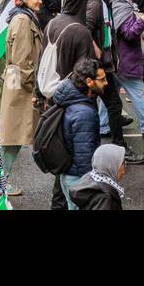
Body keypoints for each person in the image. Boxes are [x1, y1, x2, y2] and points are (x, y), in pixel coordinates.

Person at [86, 0, 144, 165]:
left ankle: (114, 146)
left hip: (108, 63)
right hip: (99, 65)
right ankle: (117, 149)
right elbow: (87, 32)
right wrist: (99, 54)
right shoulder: (95, 4)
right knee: (103, 105)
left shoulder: (105, 1)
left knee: (111, 105)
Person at [0, 0, 45, 192]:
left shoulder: (22, 17)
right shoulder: (24, 21)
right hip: (20, 86)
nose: (40, 2)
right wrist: (31, 88)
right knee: (13, 138)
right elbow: (22, 59)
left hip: (16, 83)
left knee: (13, 137)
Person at [53, 55, 106, 209]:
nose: (106, 83)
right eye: (101, 79)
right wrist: (92, 186)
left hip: (68, 175)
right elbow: (84, 158)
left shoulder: (70, 99)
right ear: (89, 82)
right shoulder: (84, 114)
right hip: (78, 179)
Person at [109, 0, 144, 139]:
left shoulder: (112, 3)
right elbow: (129, 33)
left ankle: (103, 125)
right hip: (126, 59)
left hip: (114, 59)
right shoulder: (123, 6)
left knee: (108, 95)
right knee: (137, 94)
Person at [70, 143, 127, 211]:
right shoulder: (105, 199)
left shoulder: (91, 177)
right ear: (110, 166)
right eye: (122, 163)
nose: (124, 168)